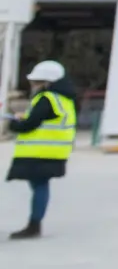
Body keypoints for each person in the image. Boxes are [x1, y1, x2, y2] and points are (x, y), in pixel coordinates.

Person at [6, 60, 78, 240]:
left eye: (37, 81)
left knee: (39, 187)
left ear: (48, 82)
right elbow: (46, 120)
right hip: (55, 151)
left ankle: (33, 225)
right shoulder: (66, 99)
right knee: (41, 186)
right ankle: (35, 224)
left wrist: (14, 124)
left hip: (39, 151)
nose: (33, 85)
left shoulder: (47, 98)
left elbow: (29, 125)